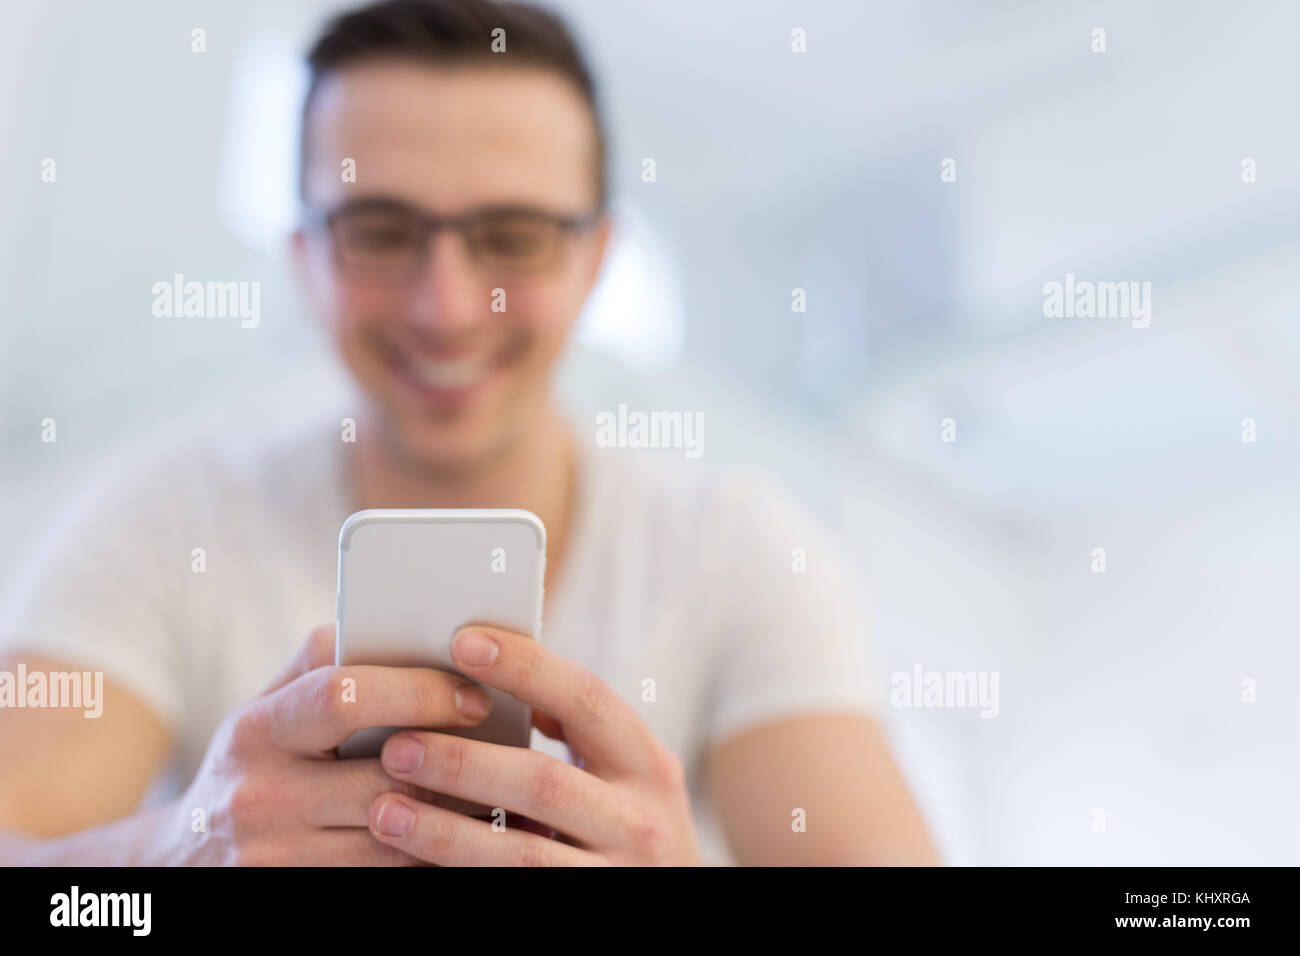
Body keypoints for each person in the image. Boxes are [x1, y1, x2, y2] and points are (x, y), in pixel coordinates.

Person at [0, 0, 937, 866]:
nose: (445, 306)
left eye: (513, 234)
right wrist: (178, 851)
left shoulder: (738, 552)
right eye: (378, 228)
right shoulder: (168, 519)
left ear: (595, 260)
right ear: (306, 258)